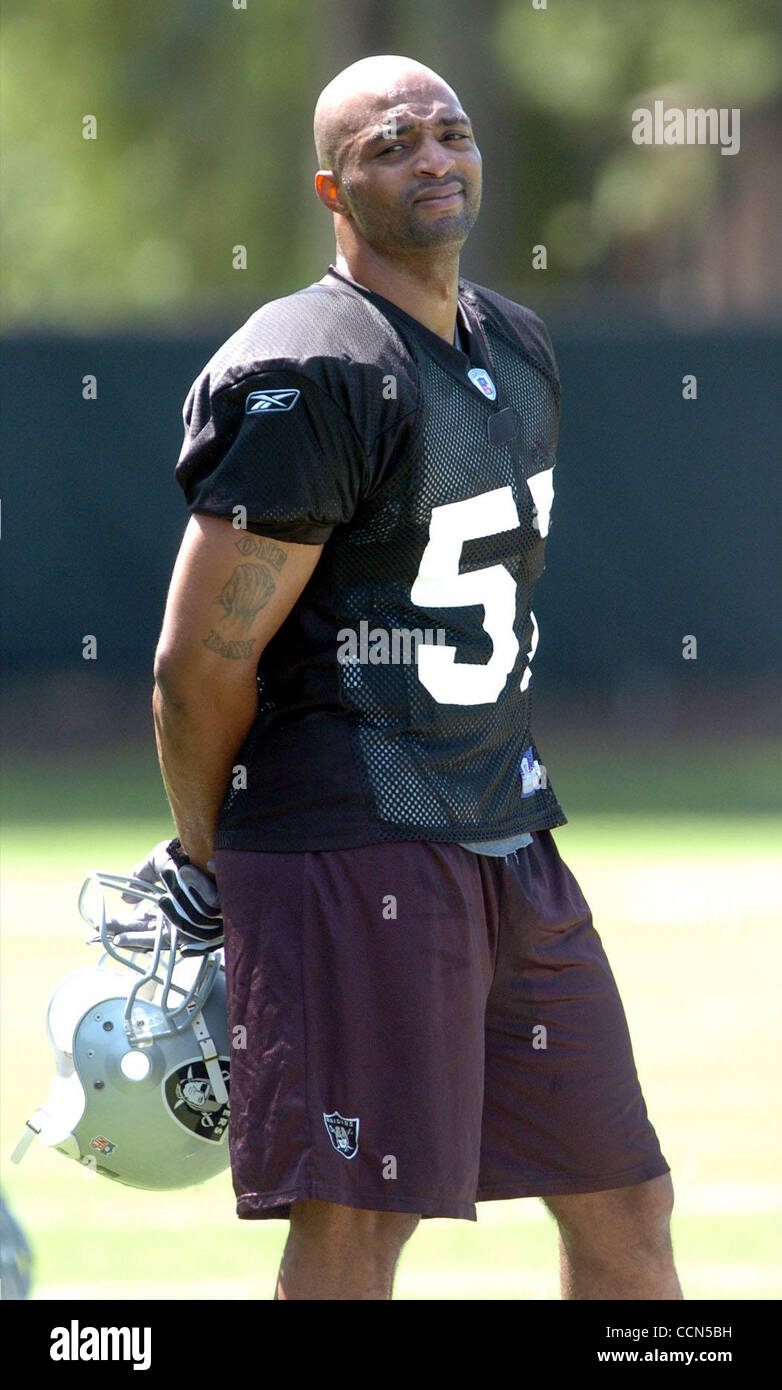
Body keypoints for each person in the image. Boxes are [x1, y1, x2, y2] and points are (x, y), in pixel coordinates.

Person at [147, 54, 681, 1301]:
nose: (431, 158)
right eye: (391, 144)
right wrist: (203, 850)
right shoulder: (305, 365)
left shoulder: (514, 340)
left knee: (625, 1197)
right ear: (334, 188)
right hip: (352, 838)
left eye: (448, 132)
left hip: (507, 829)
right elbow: (195, 661)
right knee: (357, 1222)